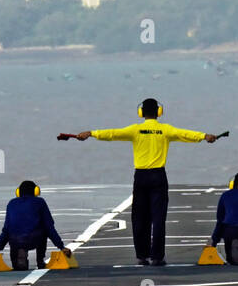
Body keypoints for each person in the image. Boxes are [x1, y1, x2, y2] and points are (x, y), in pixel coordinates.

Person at [67, 98, 217, 266]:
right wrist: (205, 136)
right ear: (159, 112)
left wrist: (91, 133)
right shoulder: (165, 129)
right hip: (158, 176)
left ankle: (142, 255)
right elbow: (185, 134)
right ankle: (158, 256)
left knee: (139, 218)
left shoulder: (136, 130)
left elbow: (113, 134)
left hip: (141, 177)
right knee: (158, 218)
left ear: (141, 113)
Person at [0, 179, 72, 270]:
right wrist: (61, 247)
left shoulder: (12, 203)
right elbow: (49, 227)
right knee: (43, 230)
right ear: (35, 191)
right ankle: (40, 261)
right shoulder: (40, 202)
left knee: (13, 234)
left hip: (16, 240)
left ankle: (18, 257)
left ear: (18, 192)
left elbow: (6, 229)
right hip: (35, 239)